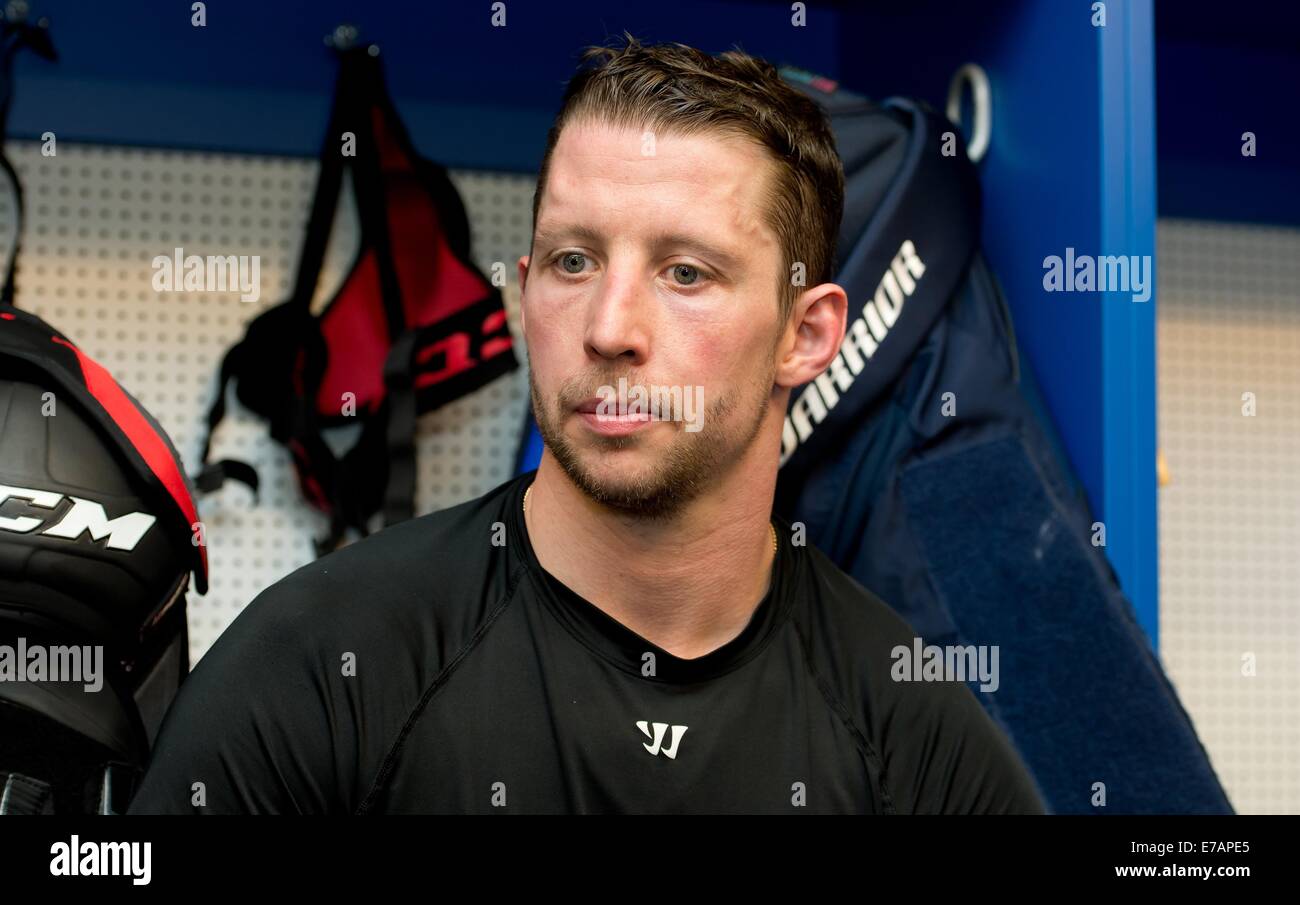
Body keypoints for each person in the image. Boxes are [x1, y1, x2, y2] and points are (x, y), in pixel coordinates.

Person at [128, 35, 1044, 815]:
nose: (608, 329)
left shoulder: (905, 725)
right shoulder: (329, 663)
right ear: (525, 289)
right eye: (573, 261)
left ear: (806, 335)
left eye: (686, 273)